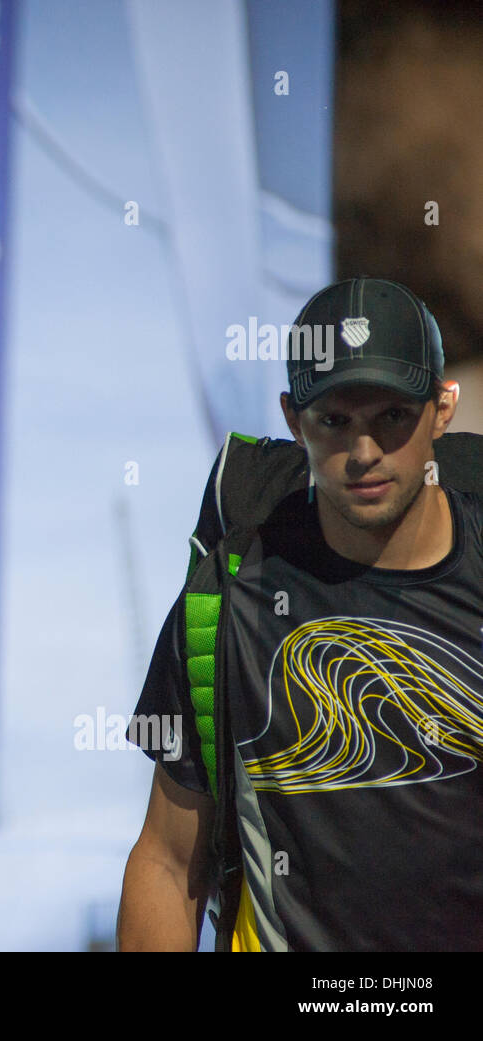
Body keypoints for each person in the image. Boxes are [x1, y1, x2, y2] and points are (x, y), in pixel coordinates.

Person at [118, 278, 483, 951]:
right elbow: (168, 864)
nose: (364, 450)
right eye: (335, 420)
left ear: (441, 408)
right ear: (292, 419)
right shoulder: (226, 599)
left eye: (393, 417)